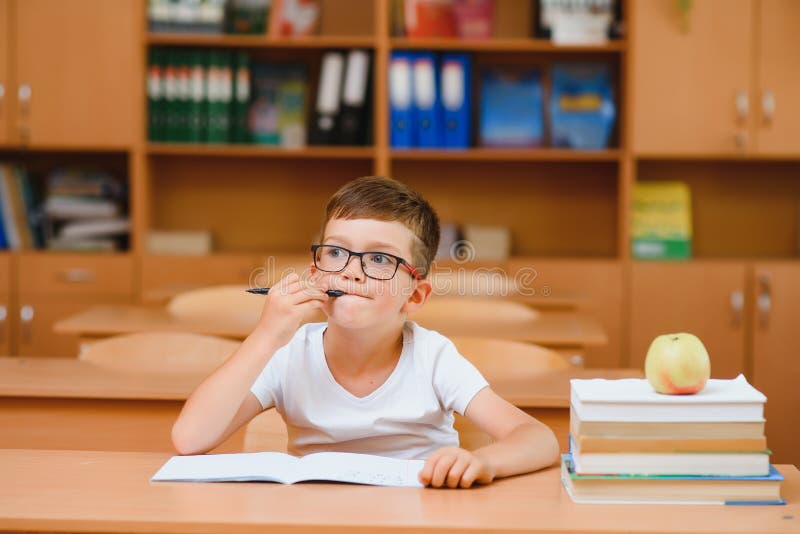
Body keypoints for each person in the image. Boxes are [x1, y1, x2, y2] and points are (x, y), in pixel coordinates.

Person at [172, 176, 559, 488]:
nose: (351, 271)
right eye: (336, 252)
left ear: (415, 295)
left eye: (378, 259)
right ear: (315, 273)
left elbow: (539, 438)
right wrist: (266, 335)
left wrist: (482, 461)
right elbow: (189, 440)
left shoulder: (432, 357)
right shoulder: (286, 353)